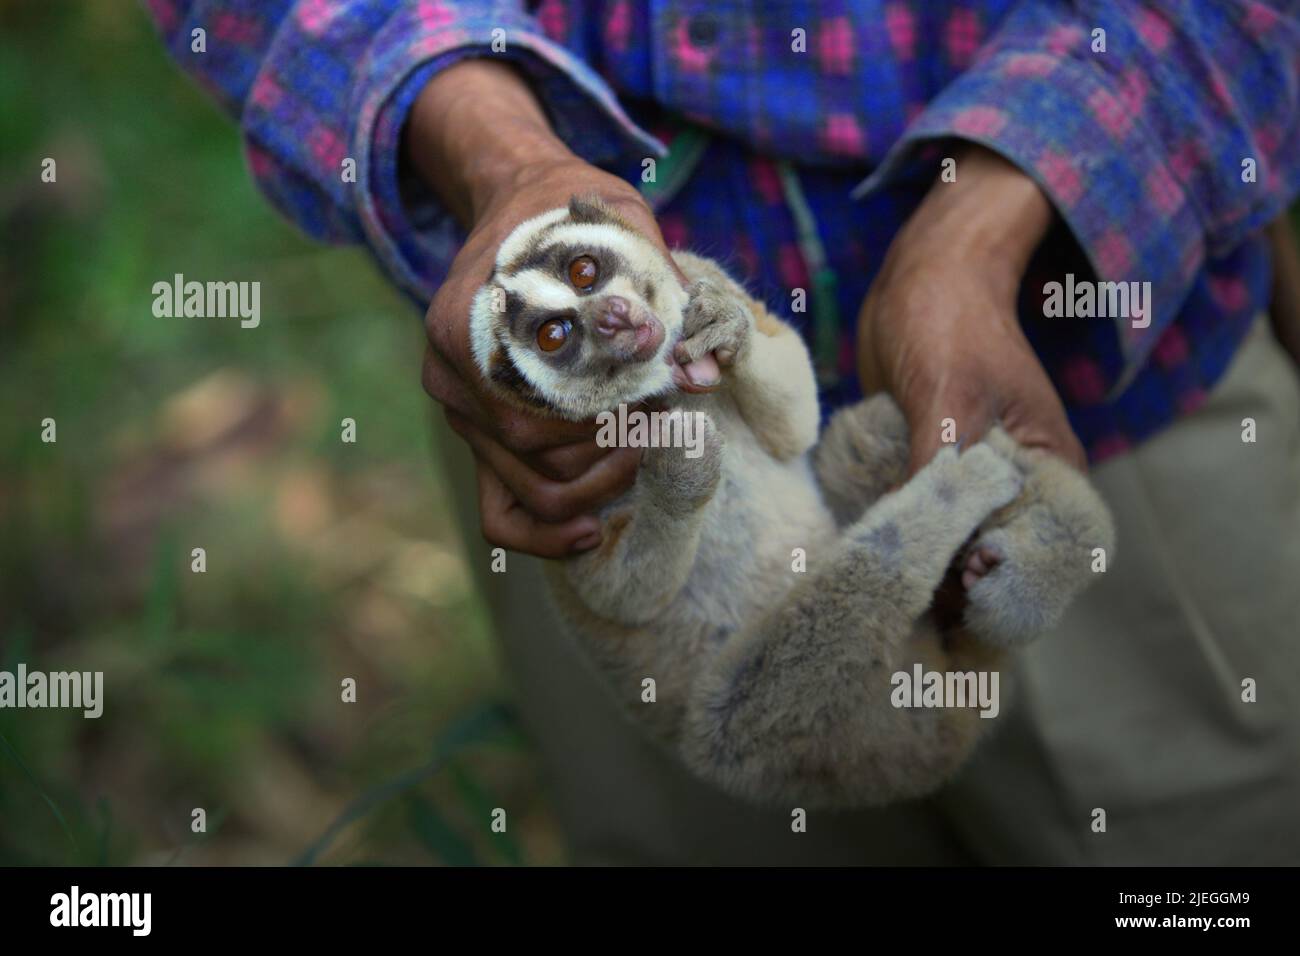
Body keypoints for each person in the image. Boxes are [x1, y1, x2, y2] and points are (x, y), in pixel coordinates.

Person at [148, 0, 1300, 863]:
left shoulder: (678, 317)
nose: (602, 316)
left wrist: (986, 225)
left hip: (1093, 356)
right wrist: (494, 151)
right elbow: (641, 593)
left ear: (602, 237)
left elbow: (789, 408)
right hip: (619, 530)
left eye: (589, 274)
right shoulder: (590, 434)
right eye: (558, 332)